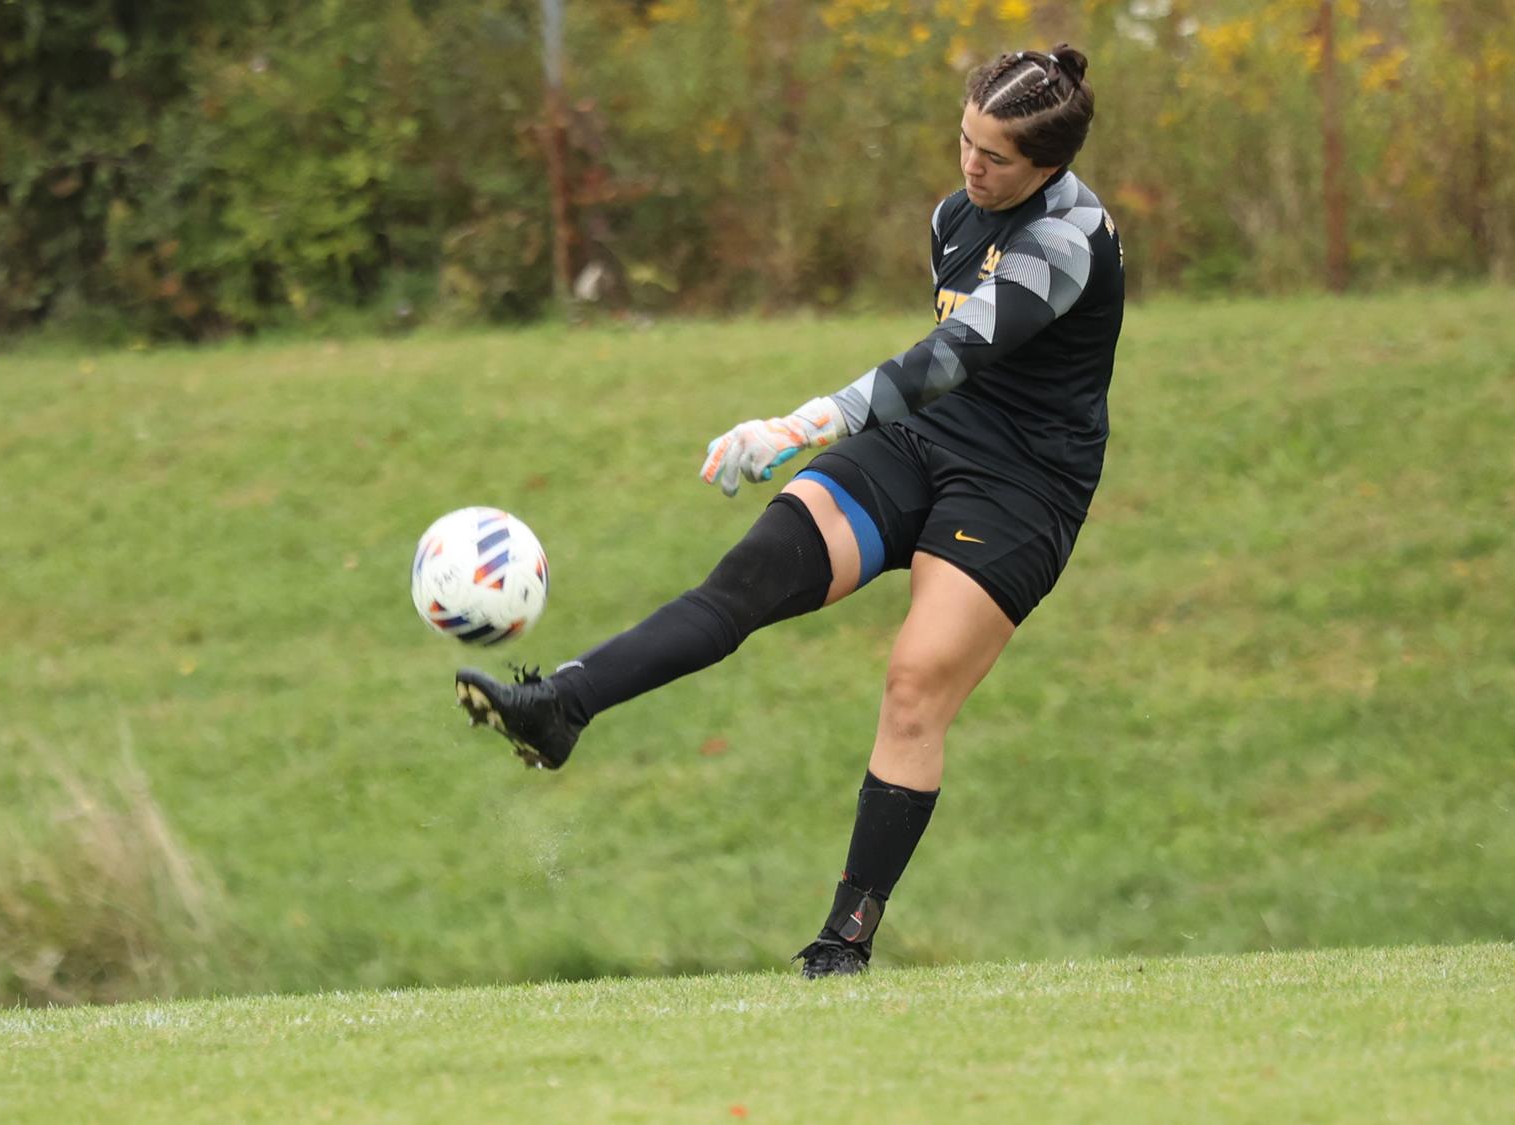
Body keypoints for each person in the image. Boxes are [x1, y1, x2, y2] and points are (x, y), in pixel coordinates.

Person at [455, 44, 1125, 979]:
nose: (972, 168)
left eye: (996, 158)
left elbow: (949, 356)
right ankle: (561, 704)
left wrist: (806, 423)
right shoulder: (955, 215)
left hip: (1023, 487)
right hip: (926, 442)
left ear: (1047, 164)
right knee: (744, 583)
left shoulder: (1066, 240)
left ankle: (844, 939)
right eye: (965, 141)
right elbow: (943, 389)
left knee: (913, 687)